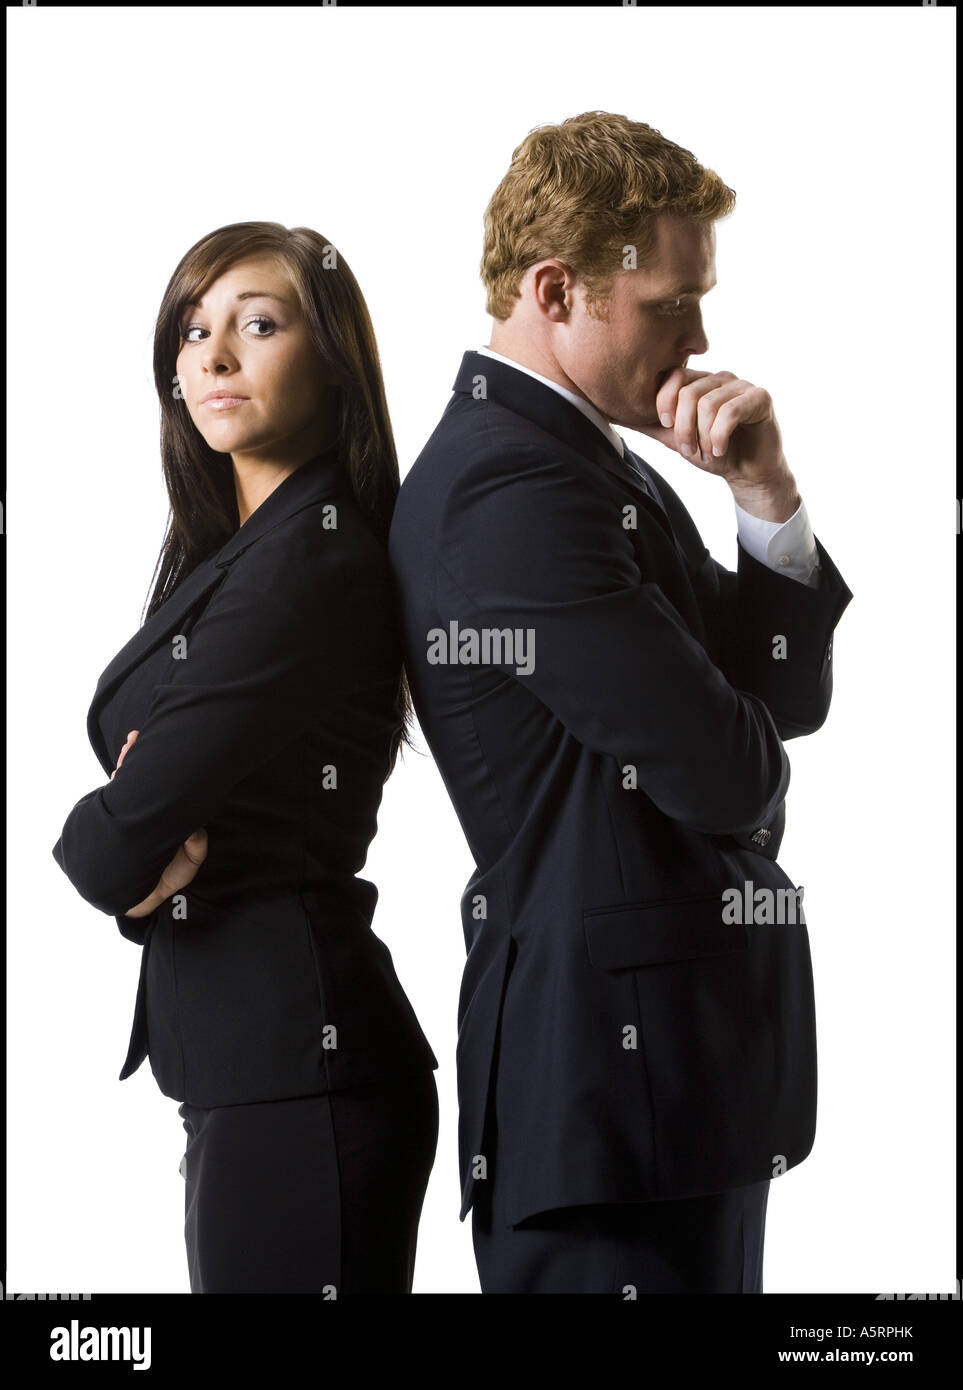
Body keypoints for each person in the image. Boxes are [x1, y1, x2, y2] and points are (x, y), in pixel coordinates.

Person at [388, 112, 853, 1293]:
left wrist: (765, 490)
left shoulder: (595, 464)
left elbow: (784, 699)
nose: (701, 337)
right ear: (558, 289)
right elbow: (734, 768)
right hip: (602, 1106)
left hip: (662, 1102)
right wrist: (744, 754)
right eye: (669, 305)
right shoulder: (510, 487)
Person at [52, 222, 438, 1294]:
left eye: (258, 325)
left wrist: (122, 835)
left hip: (301, 1080)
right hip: (258, 1072)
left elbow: (108, 845)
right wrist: (141, 856)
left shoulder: (307, 565)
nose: (214, 355)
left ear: (334, 361)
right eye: (194, 329)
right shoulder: (246, 555)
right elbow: (142, 836)